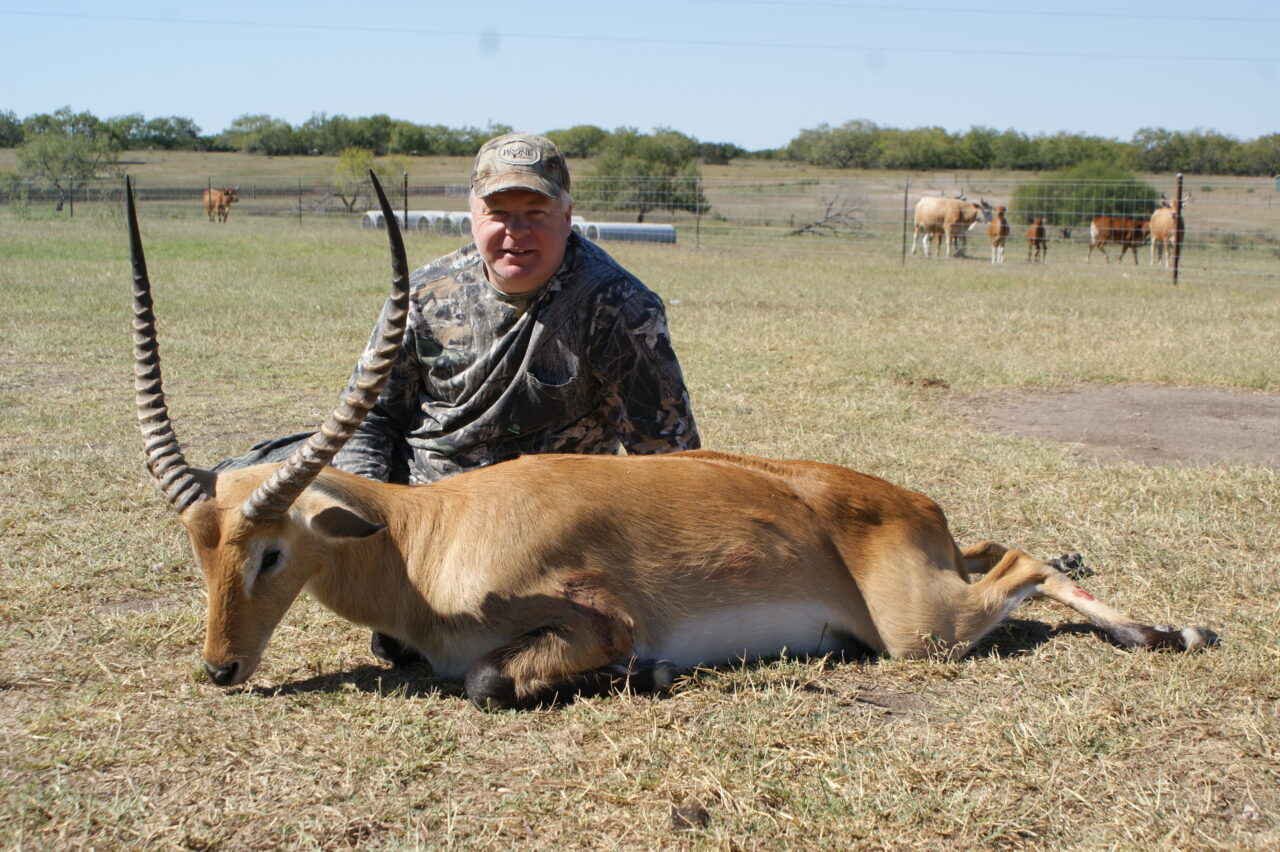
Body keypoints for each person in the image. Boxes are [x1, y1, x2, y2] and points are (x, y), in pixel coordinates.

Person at [214, 132, 701, 664]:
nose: (515, 231)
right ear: (473, 215)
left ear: (567, 216)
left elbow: (669, 463)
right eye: (498, 212)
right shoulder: (424, 295)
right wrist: (380, 542)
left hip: (535, 532)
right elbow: (372, 419)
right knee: (253, 471)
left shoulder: (620, 307)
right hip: (424, 522)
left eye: (535, 211)